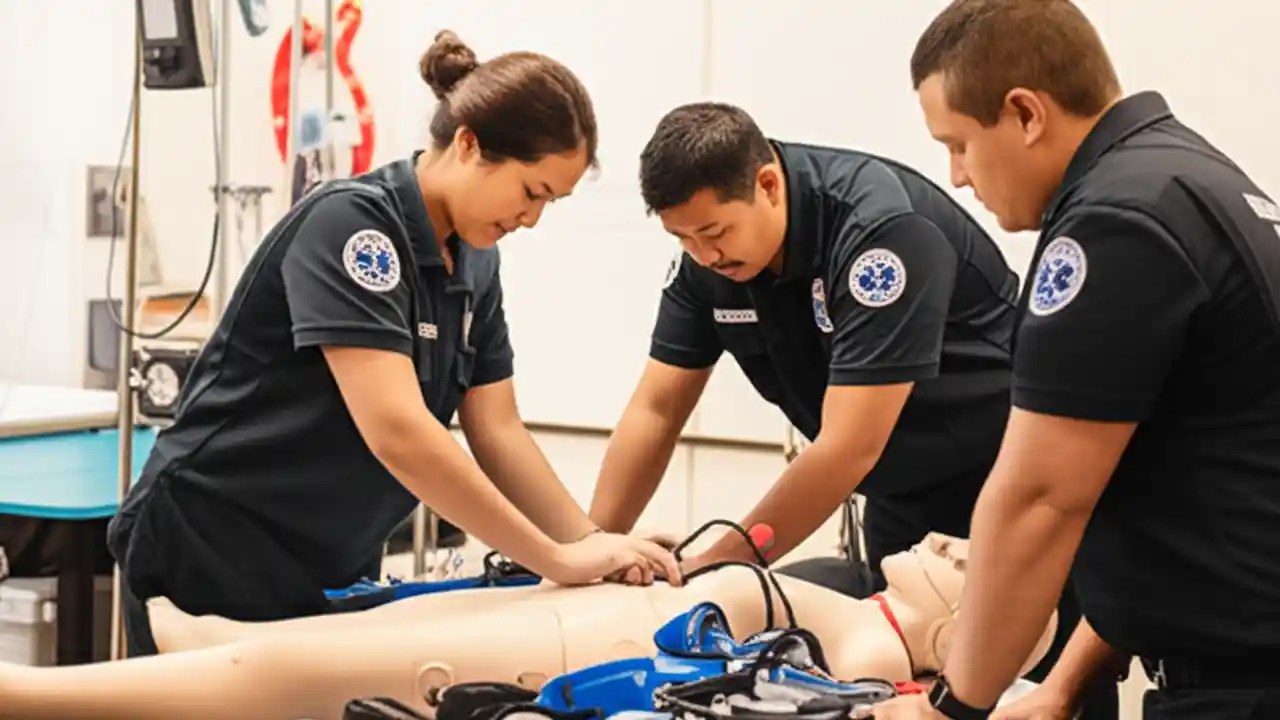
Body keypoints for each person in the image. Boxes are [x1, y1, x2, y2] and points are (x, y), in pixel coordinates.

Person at [106, 30, 679, 659]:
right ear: (468, 144)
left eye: (551, 202)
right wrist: (550, 558)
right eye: (530, 192)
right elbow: (398, 430)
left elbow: (499, 430)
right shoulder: (353, 227)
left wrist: (591, 545)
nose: (533, 219)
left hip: (320, 555)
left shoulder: (474, 264)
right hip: (216, 537)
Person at [874, 2, 1280, 719]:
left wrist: (953, 707)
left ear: (1026, 114)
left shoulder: (1114, 226)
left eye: (959, 144)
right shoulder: (1181, 179)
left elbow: (1041, 500)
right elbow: (1166, 500)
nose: (958, 176)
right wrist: (1060, 686)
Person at [589, 102, 1018, 586]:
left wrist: (710, 568)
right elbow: (657, 409)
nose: (704, 256)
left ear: (767, 185)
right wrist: (596, 547)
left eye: (715, 232)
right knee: (900, 656)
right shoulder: (707, 262)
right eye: (682, 238)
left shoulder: (881, 233)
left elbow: (845, 447)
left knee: (1003, 658)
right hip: (898, 494)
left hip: (1001, 485)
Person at [0, 535, 1057, 720]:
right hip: (592, 615)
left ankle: (27, 697)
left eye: (959, 561)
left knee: (308, 674)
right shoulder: (863, 614)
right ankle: (224, 631)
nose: (937, 539)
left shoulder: (876, 660)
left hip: (595, 658)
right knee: (413, 609)